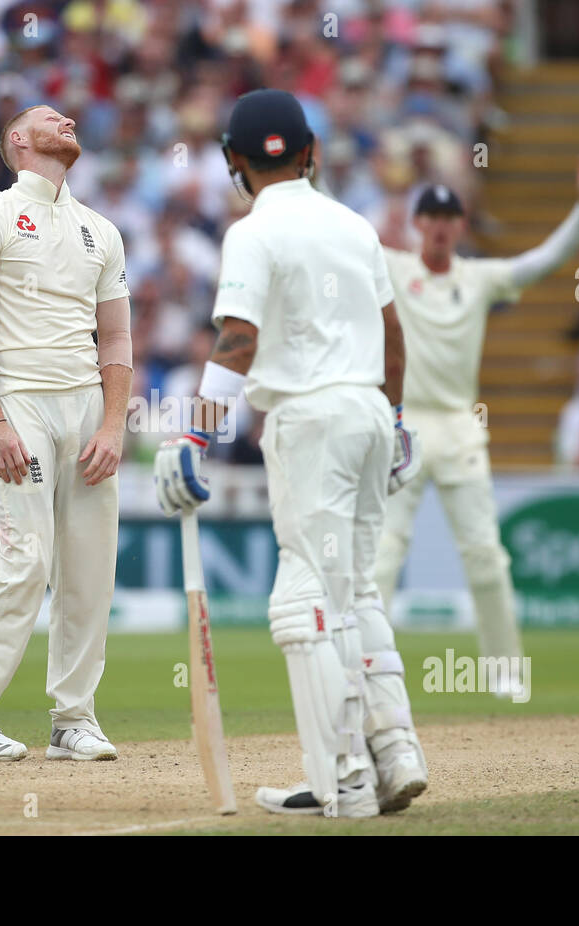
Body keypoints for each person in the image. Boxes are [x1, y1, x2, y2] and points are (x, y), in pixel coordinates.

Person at [154, 89, 426, 818]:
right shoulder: (354, 224)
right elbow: (393, 335)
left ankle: (343, 779)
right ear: (311, 151)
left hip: (310, 419)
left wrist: (192, 434)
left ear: (233, 163)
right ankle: (394, 751)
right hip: (370, 413)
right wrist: (396, 420)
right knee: (354, 591)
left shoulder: (252, 232)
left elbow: (237, 341)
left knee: (302, 599)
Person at [0, 104, 132, 762]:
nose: (69, 118)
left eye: (70, 114)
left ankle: (73, 719)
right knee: (27, 560)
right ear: (17, 139)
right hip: (21, 407)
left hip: (86, 408)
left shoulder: (101, 230)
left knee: (90, 571)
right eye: (49, 117)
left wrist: (115, 422)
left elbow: (118, 335)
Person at [374, 156, 579, 694]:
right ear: (417, 225)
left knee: (485, 557)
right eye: (429, 216)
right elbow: (338, 231)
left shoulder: (479, 279)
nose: (437, 226)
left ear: (459, 225)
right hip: (403, 427)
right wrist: (308, 173)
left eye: (447, 217)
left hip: (459, 427)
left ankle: (505, 673)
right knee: (383, 555)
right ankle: (373, 673)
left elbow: (543, 261)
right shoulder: (391, 268)